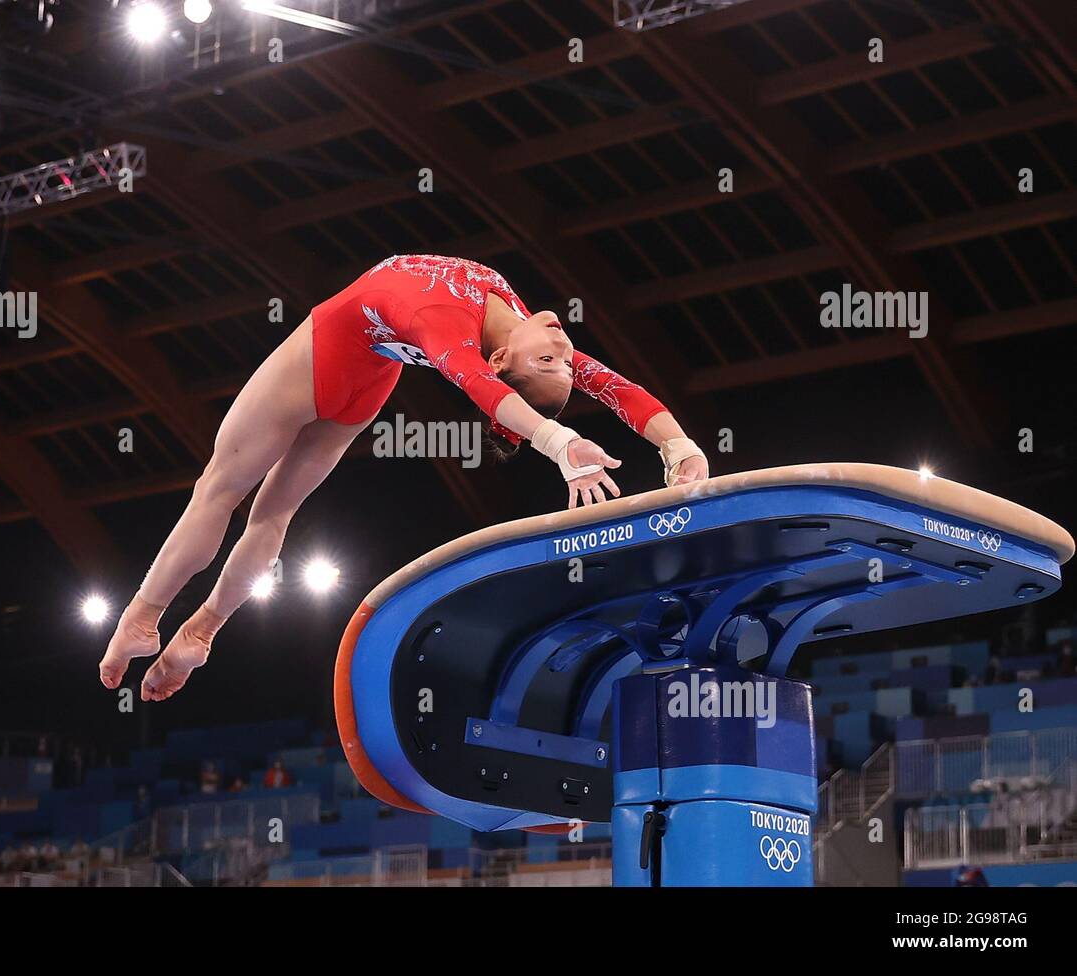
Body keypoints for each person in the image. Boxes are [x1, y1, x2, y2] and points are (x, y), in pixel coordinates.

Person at [100, 254, 709, 703]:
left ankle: (143, 615)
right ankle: (201, 630)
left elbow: (480, 388)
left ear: (498, 361)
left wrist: (559, 442)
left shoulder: (448, 323)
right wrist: (677, 444)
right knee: (274, 514)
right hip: (368, 380)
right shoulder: (525, 328)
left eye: (550, 361)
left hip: (327, 353)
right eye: (560, 360)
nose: (563, 347)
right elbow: (617, 389)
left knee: (221, 490)